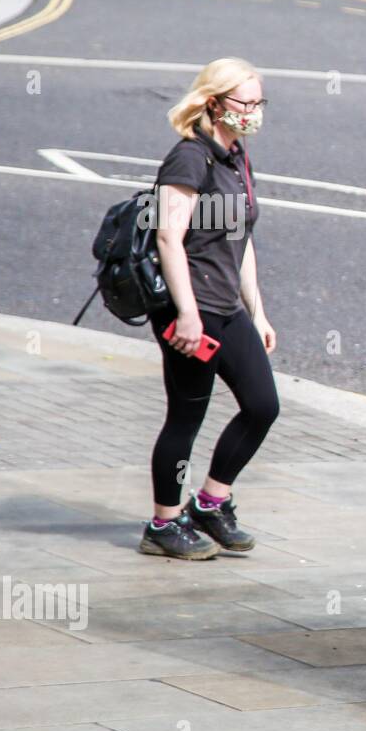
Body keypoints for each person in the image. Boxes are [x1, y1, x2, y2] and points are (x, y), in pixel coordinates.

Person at [140, 57, 278, 561]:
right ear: (214, 102)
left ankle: (210, 502)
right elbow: (168, 238)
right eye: (245, 102)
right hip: (189, 311)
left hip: (227, 308)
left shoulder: (236, 154)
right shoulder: (188, 158)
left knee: (263, 406)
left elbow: (241, 239)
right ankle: (163, 523)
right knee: (186, 418)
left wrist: (258, 312)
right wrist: (188, 315)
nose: (254, 112)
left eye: (259, 102)